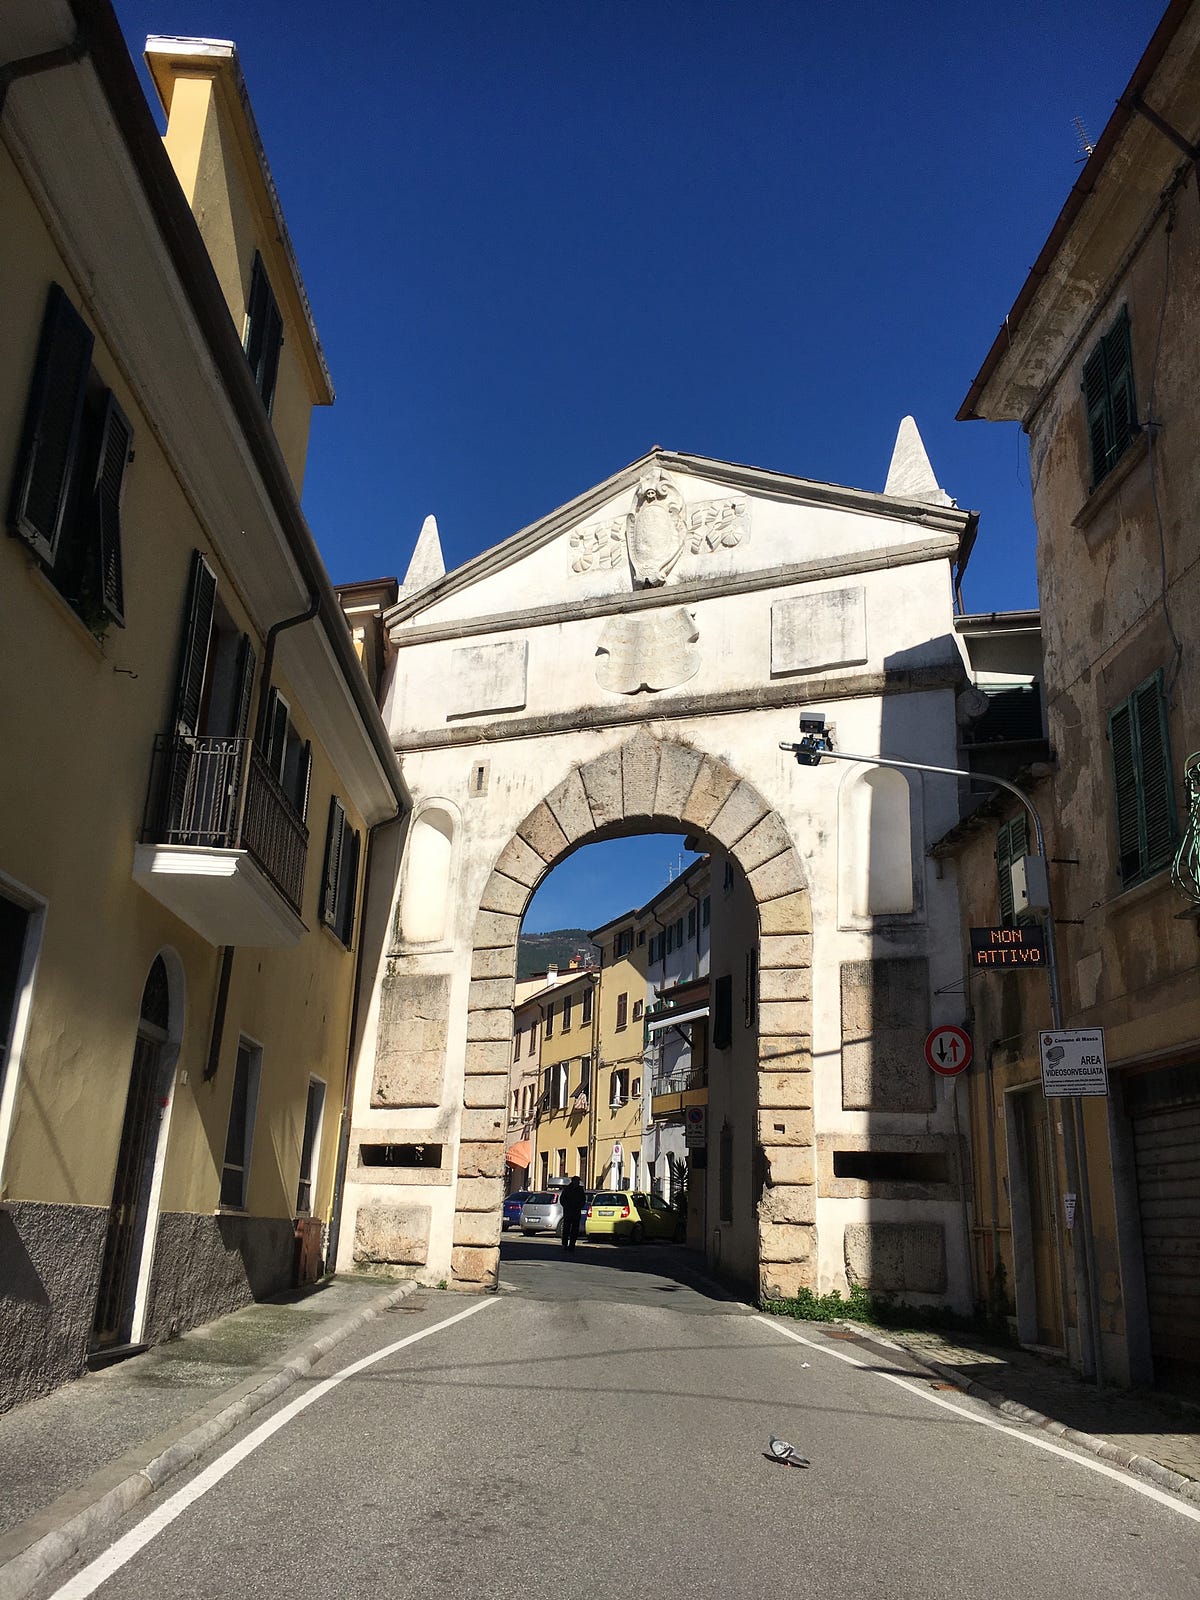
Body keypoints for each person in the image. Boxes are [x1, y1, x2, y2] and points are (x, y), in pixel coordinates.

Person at [560, 1174, 586, 1253]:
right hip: (568, 1212)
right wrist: (566, 1207)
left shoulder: (580, 1190)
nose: (577, 1183)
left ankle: (572, 1244)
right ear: (573, 1181)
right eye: (576, 1181)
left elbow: (583, 1200)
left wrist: (579, 1207)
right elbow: (562, 1200)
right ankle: (564, 1244)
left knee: (575, 1230)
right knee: (566, 1229)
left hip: (576, 1212)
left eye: (578, 1182)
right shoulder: (567, 1189)